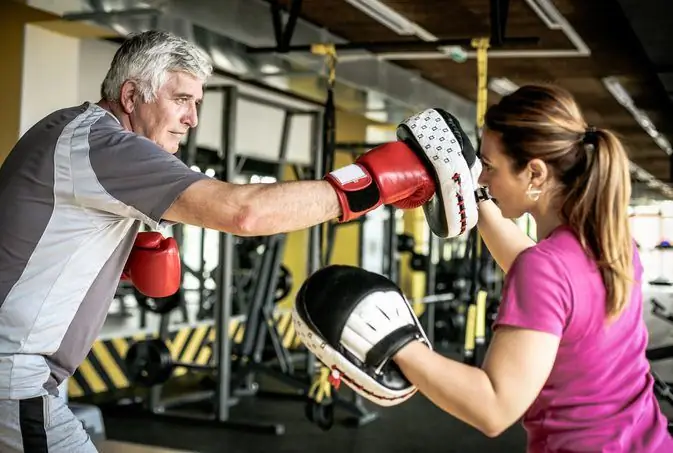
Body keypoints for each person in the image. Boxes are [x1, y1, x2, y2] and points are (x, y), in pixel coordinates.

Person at [0, 30, 472, 452]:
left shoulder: (73, 131)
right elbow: (244, 212)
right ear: (130, 95)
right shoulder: (107, 147)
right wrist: (376, 180)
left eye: (197, 103)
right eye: (181, 99)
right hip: (14, 377)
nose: (192, 118)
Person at [296, 84, 673, 452]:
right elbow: (541, 274)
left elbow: (494, 407)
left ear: (535, 174)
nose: (484, 178)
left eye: (489, 167)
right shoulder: (611, 244)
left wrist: (396, 343)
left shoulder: (546, 268)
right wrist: (466, 190)